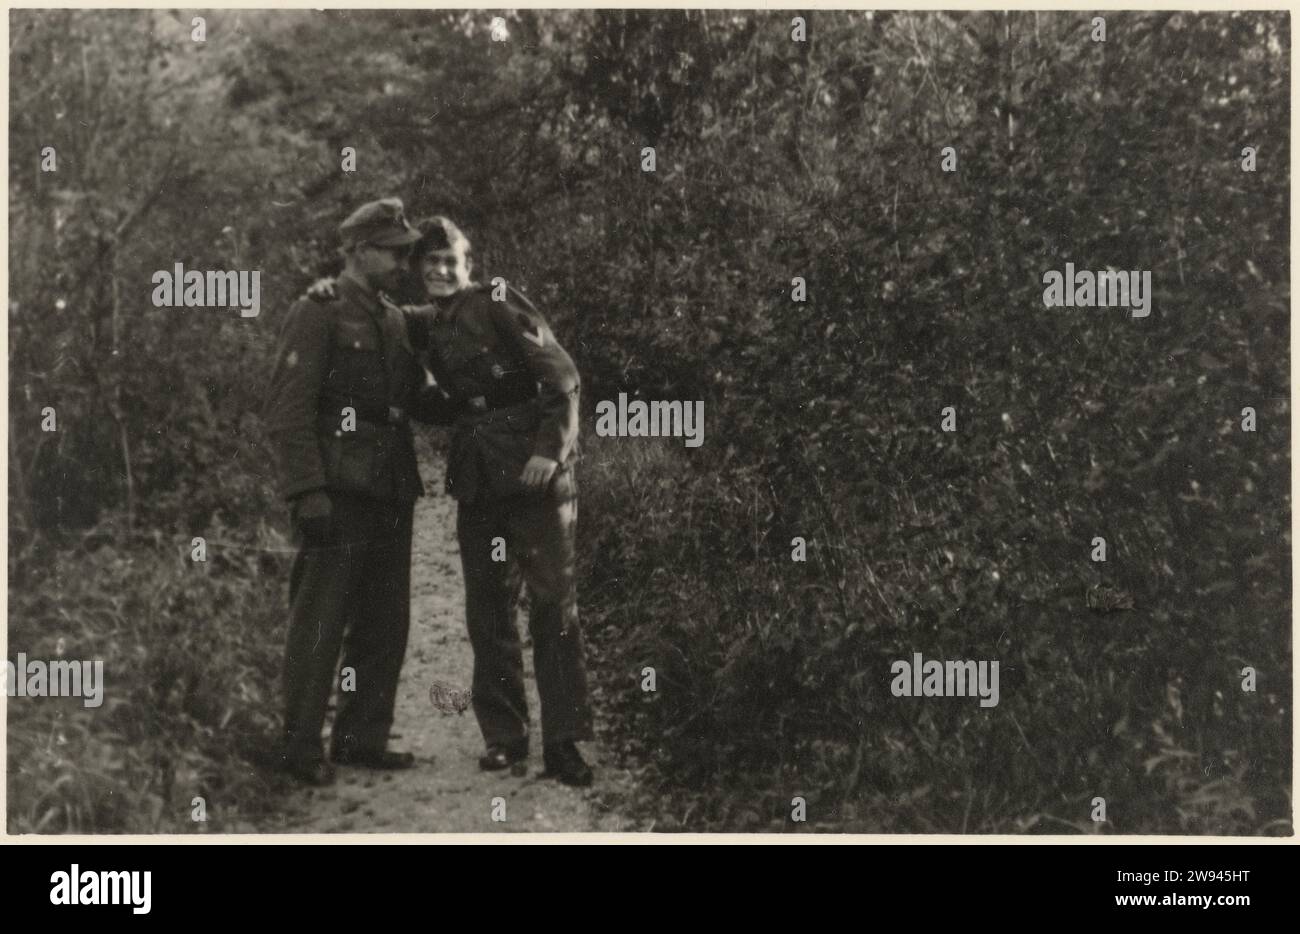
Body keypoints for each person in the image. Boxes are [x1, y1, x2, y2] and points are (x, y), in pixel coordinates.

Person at [307, 214, 595, 786]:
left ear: (469, 265)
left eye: (450, 261)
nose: (440, 270)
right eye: (429, 262)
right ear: (418, 271)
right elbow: (374, 320)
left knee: (552, 606)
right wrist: (325, 293)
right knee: (488, 612)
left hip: (535, 479)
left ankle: (564, 742)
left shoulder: (497, 299)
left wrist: (551, 451)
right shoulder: (420, 321)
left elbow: (562, 376)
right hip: (479, 484)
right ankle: (506, 739)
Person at [264, 197, 437, 786]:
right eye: (392, 251)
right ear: (358, 250)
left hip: (390, 485)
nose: (402, 262)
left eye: (405, 251)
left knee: (385, 620)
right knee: (319, 619)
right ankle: (299, 746)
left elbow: (411, 397)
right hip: (337, 489)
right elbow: (289, 409)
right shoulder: (317, 311)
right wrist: (306, 490)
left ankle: (361, 738)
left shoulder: (392, 318)